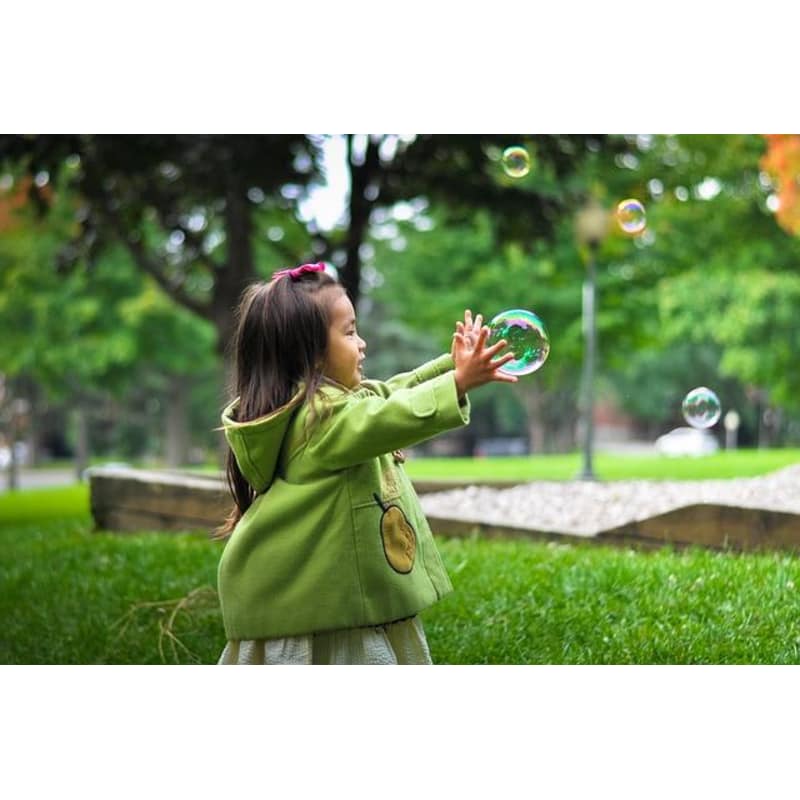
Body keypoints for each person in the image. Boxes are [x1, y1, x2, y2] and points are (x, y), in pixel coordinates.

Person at [215, 262, 517, 664]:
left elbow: (390, 394)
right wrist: (458, 382)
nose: (362, 344)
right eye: (349, 332)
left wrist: (451, 366)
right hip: (320, 610)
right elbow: (389, 416)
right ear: (312, 354)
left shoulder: (328, 406)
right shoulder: (320, 420)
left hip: (333, 600)